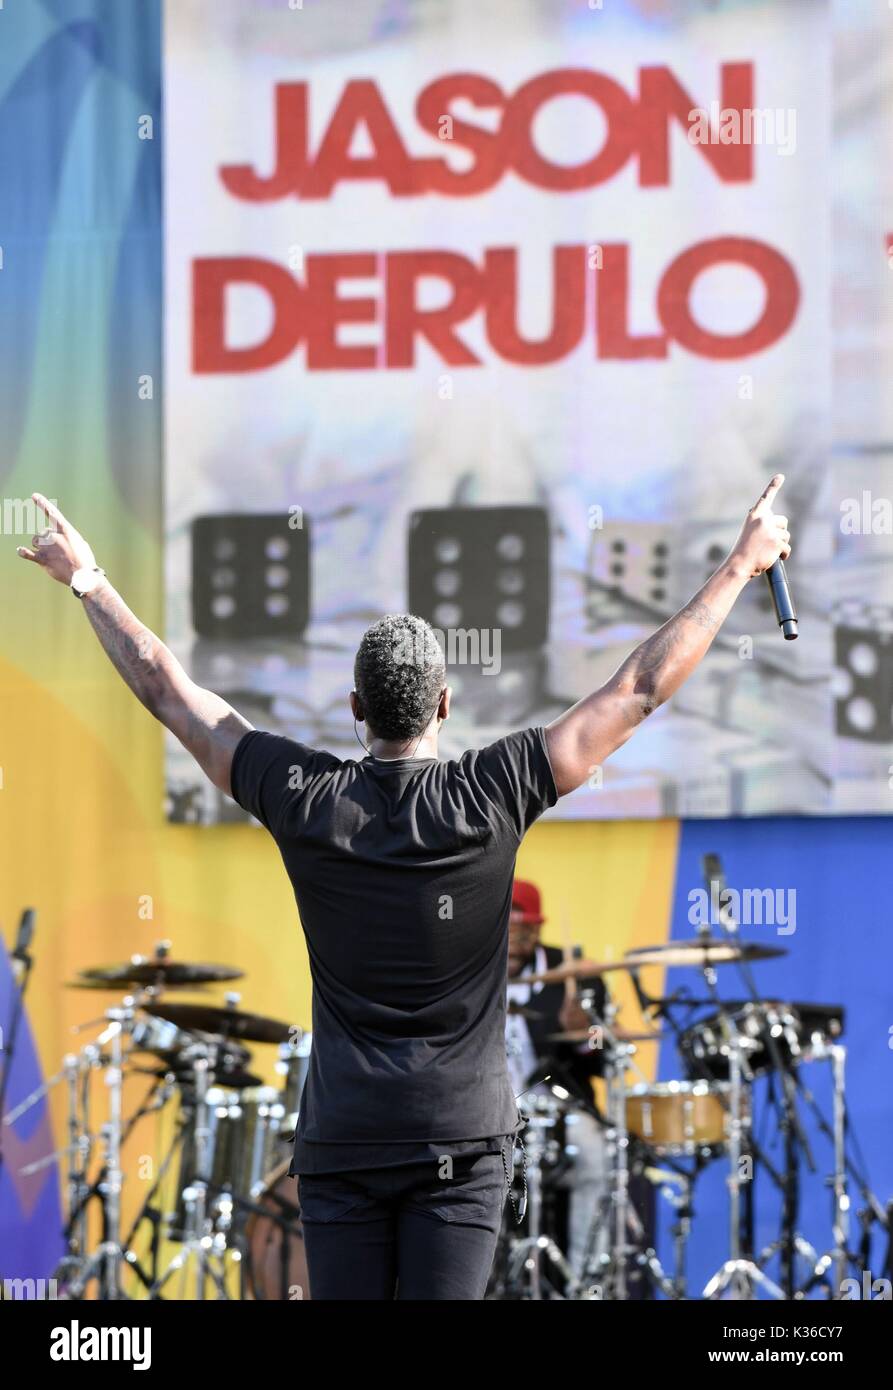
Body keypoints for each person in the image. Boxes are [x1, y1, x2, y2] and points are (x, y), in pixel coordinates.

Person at [17, 477, 791, 1299]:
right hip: (460, 1149)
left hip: (344, 1142)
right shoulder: (493, 790)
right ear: (445, 705)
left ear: (355, 707)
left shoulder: (305, 796)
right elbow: (637, 690)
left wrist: (90, 582)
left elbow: (170, 692)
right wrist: (740, 564)